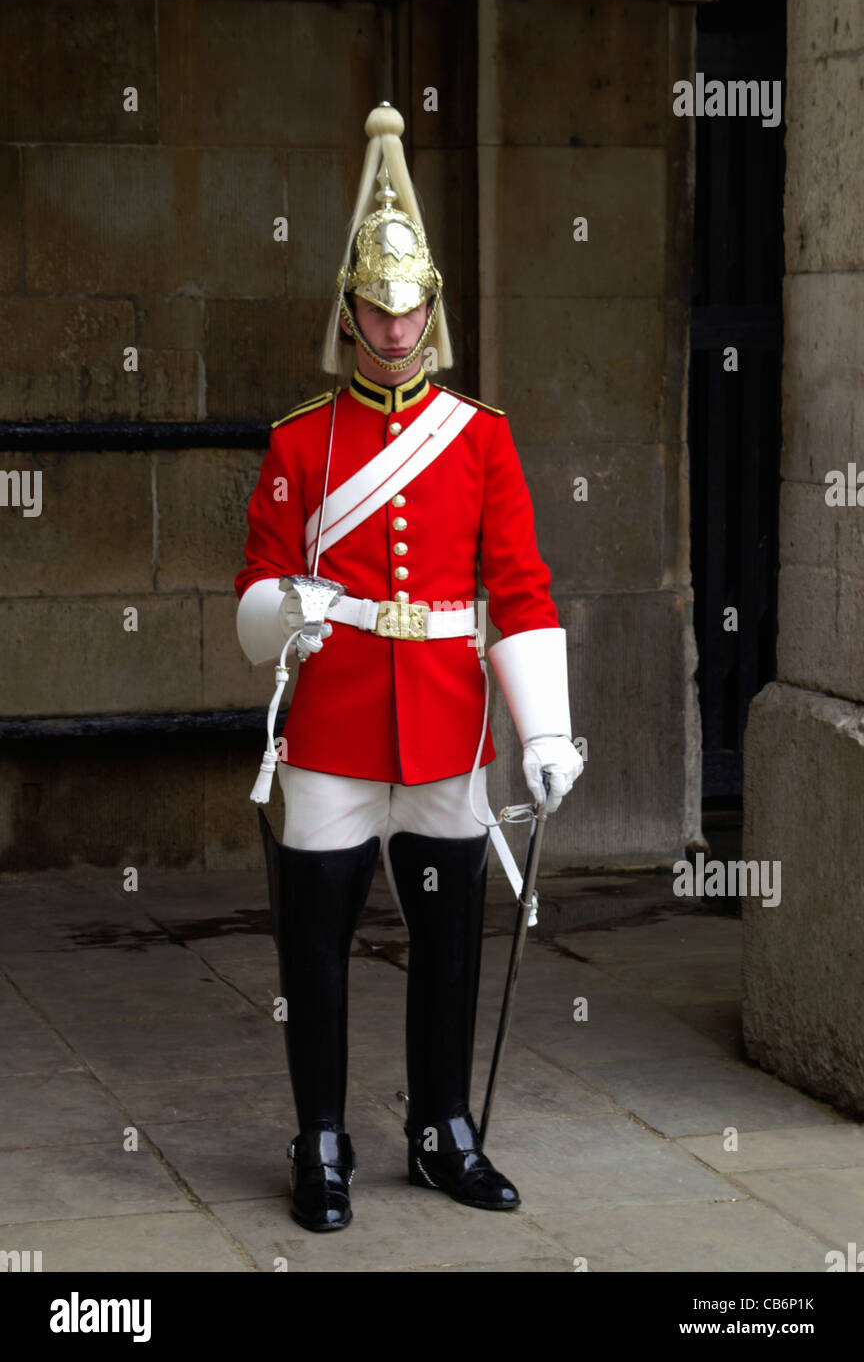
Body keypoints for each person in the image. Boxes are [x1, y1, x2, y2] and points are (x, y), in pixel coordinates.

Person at [235, 103, 583, 1232]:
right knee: (317, 945)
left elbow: (519, 590)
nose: (396, 328)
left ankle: (442, 1131)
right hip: (333, 726)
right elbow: (253, 593)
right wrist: (286, 611)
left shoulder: (480, 436)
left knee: (445, 942)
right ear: (348, 314)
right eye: (378, 312)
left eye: (413, 307)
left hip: (443, 726)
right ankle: (322, 1140)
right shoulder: (300, 441)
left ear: (433, 308)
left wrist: (541, 730)